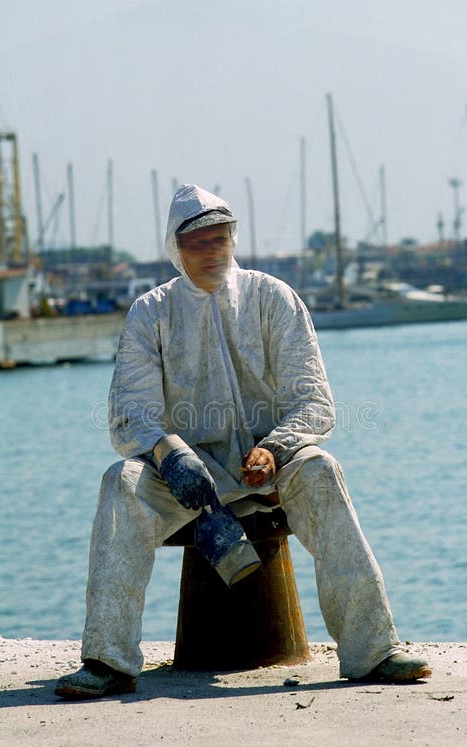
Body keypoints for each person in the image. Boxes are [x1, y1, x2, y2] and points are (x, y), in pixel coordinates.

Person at [55, 184, 430, 699]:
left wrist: (275, 449)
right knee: (121, 482)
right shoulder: (151, 312)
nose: (211, 251)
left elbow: (314, 401)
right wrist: (170, 454)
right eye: (197, 243)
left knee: (322, 471)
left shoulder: (272, 298)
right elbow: (129, 415)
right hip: (185, 475)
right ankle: (108, 661)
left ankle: (372, 651)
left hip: (274, 465)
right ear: (176, 250)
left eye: (219, 239)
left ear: (233, 240)